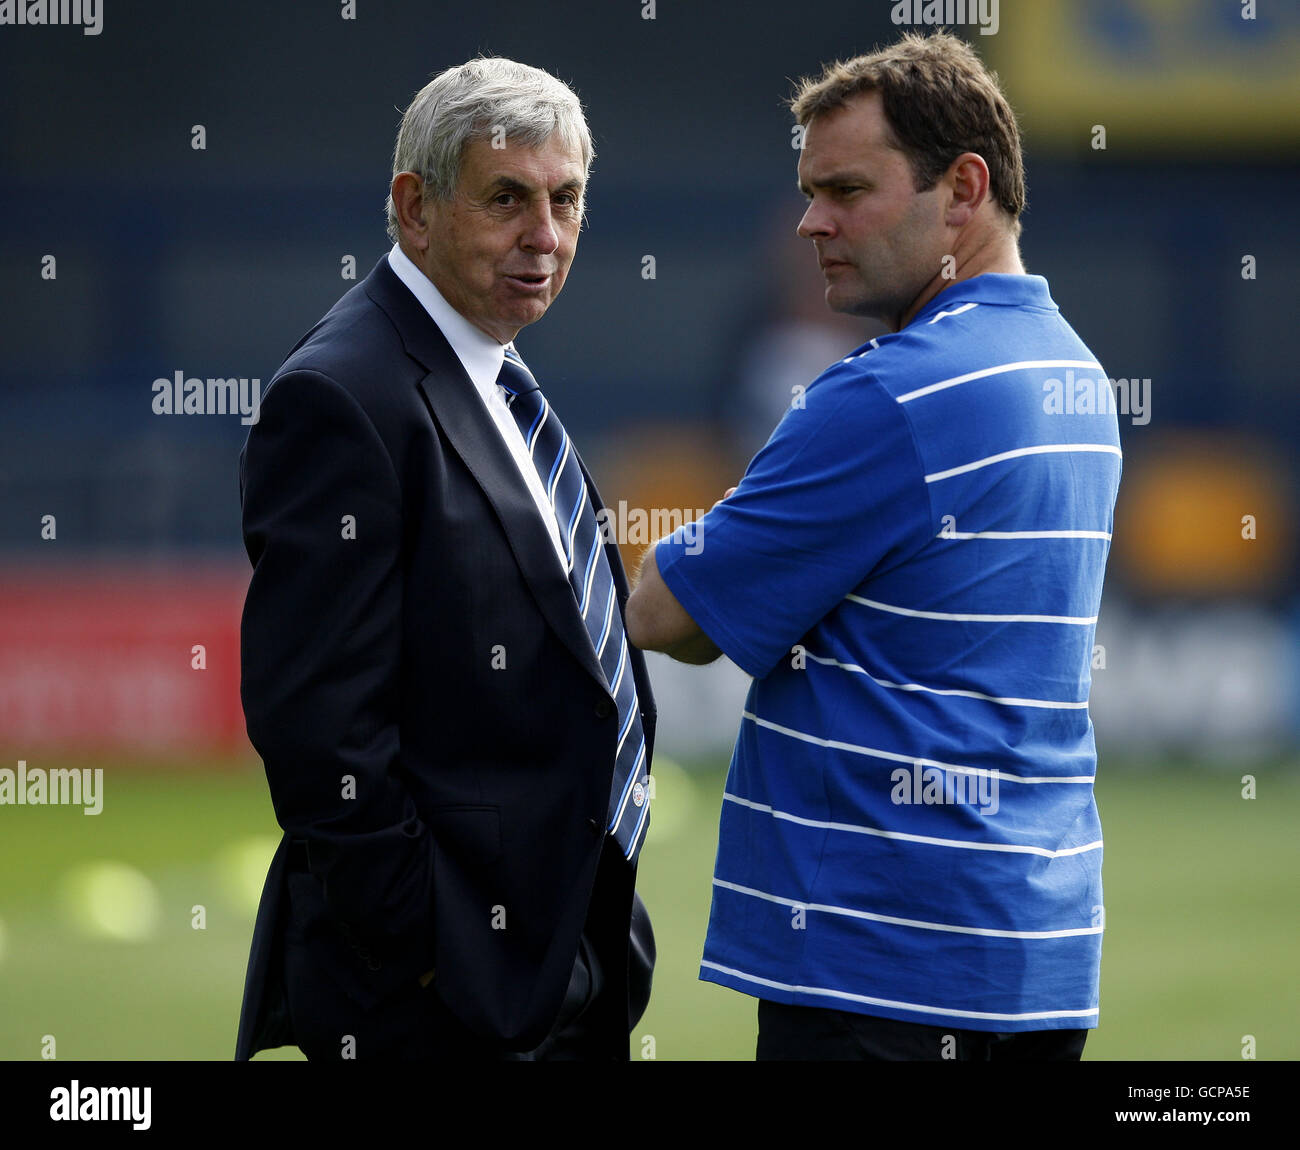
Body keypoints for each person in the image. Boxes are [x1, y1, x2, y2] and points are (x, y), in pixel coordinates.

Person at [626, 31, 1121, 1061]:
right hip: (1038, 953)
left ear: (963, 187)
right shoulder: (1076, 376)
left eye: (847, 189)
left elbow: (666, 616)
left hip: (879, 967)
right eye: (810, 191)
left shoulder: (889, 392)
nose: (813, 222)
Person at [234, 56, 655, 1061]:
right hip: (438, 1002)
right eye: (506, 198)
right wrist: (435, 951)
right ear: (415, 209)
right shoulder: (344, 397)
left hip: (557, 966)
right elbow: (318, 732)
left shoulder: (493, 372)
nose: (545, 237)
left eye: (566, 200)